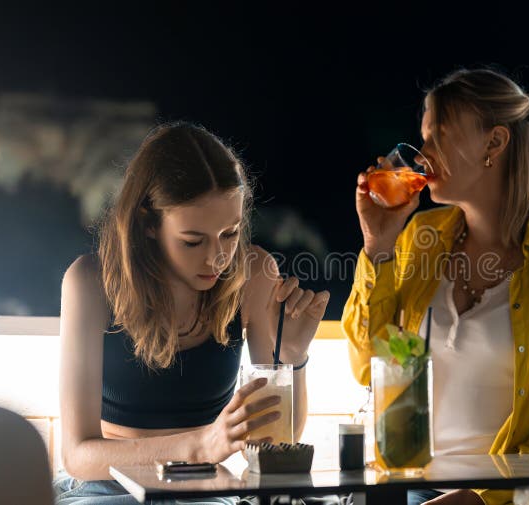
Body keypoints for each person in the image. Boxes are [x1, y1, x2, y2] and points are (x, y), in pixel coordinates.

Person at [342, 68, 529, 505]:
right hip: (416, 485)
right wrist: (377, 246)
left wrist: (482, 496)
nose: (422, 155)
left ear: (494, 143)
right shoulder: (421, 237)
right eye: (423, 137)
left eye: (438, 136)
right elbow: (370, 367)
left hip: (526, 496)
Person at [54, 122, 330, 504]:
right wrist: (201, 445)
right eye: (193, 241)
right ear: (148, 223)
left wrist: (292, 360)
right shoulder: (90, 282)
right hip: (106, 488)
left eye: (230, 234)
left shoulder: (254, 274)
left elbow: (274, 445)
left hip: (206, 491)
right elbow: (77, 456)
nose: (217, 257)